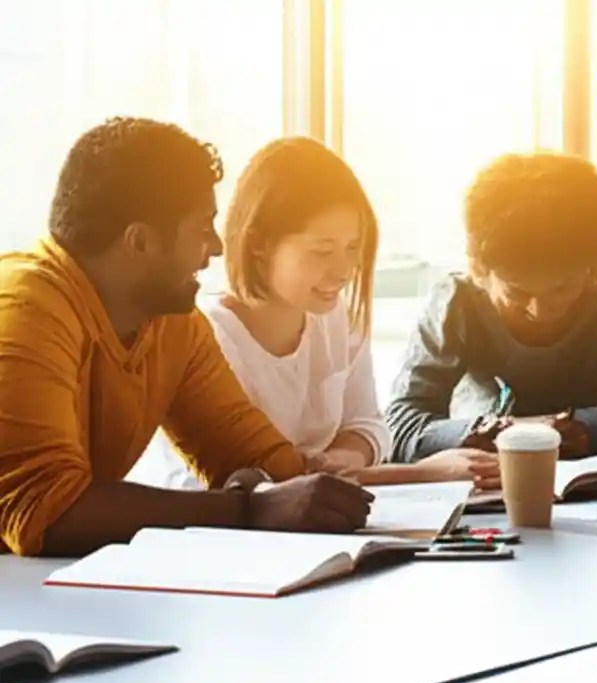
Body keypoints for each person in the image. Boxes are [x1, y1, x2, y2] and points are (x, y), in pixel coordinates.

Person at [0, 118, 372, 557]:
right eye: (202, 228)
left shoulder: (173, 323)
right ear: (139, 243)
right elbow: (45, 513)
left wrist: (295, 492)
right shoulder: (26, 308)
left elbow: (255, 457)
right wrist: (248, 510)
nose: (216, 247)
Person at [153, 137, 499, 489]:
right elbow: (240, 485)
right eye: (322, 251)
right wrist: (423, 472)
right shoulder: (209, 336)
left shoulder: (336, 317)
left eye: (353, 248)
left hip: (324, 516)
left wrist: (341, 461)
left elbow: (367, 423)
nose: (344, 270)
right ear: (259, 244)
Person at [385, 152, 597, 466]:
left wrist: (507, 435)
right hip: (484, 485)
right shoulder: (458, 300)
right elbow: (400, 427)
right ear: (480, 270)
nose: (540, 310)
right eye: (517, 292)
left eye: (562, 288)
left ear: (596, 267)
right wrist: (530, 432)